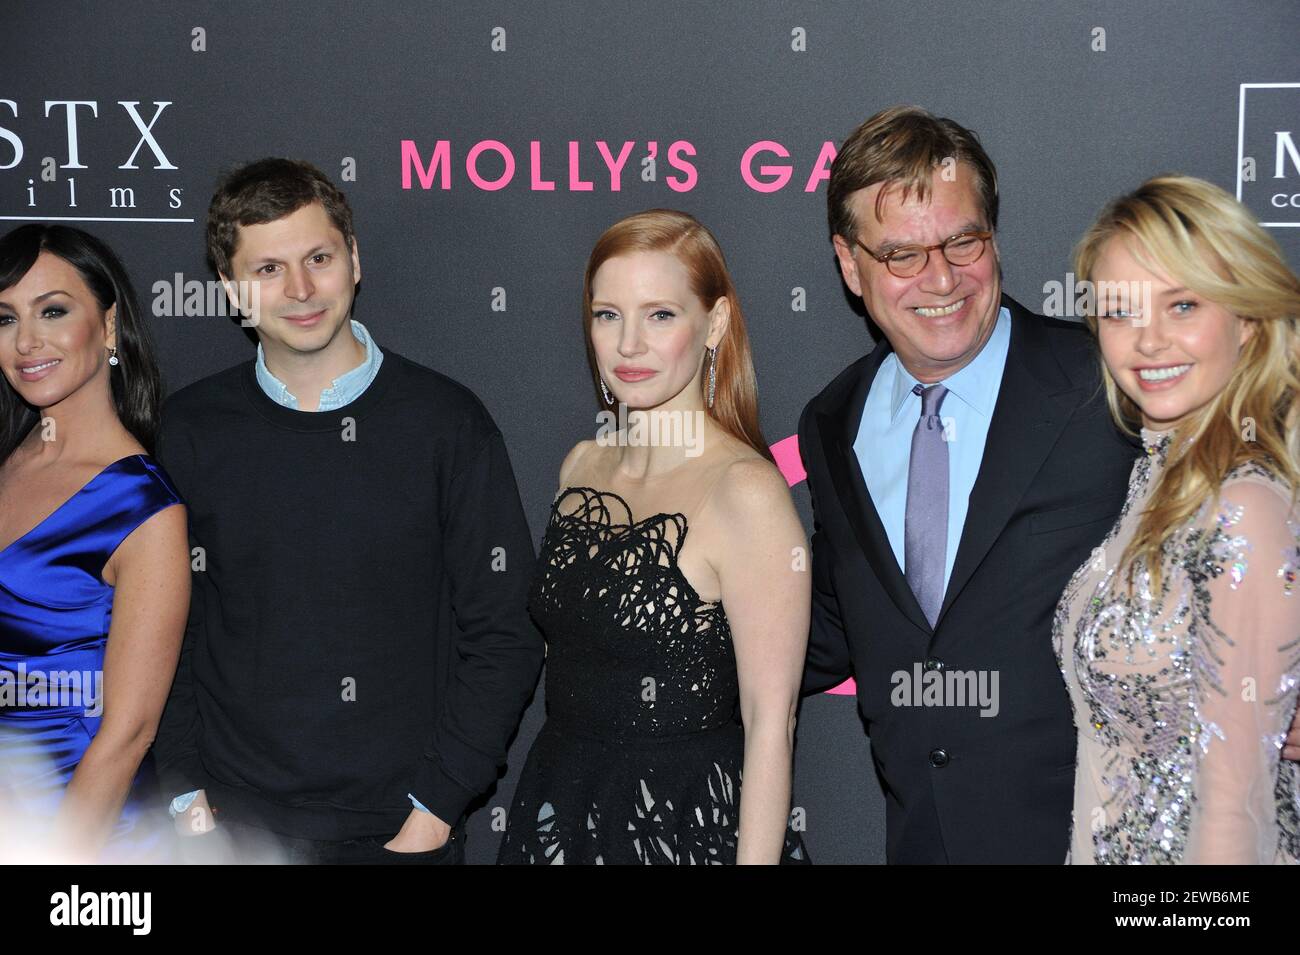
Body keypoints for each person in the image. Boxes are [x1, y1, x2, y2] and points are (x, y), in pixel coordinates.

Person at [152, 158, 544, 864]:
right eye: (268, 269)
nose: (301, 290)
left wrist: (432, 810)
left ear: (354, 259)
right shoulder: (189, 431)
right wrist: (187, 796)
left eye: (319, 258)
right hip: (230, 831)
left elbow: (505, 631)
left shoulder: (446, 423)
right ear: (231, 289)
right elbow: (165, 628)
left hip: (397, 831)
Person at [797, 106, 1144, 863]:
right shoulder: (832, 422)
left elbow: (1240, 531)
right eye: (901, 255)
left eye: (963, 240)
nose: (942, 278)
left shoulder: (1107, 386)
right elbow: (827, 624)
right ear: (849, 265)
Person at [497, 209, 810, 864]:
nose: (628, 344)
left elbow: (770, 725)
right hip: (560, 805)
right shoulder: (581, 465)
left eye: (660, 315)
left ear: (714, 324)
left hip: (680, 827)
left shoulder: (745, 493)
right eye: (607, 314)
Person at [1054, 174, 1300, 864]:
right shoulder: (1156, 478)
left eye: (1183, 305)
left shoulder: (1245, 505)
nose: (1149, 341)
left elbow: (1235, 808)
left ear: (1247, 319)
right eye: (1121, 311)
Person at [0, 224, 189, 863]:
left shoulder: (142, 508)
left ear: (108, 328)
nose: (26, 342)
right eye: (5, 318)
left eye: (53, 311)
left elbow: (127, 736)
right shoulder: (10, 459)